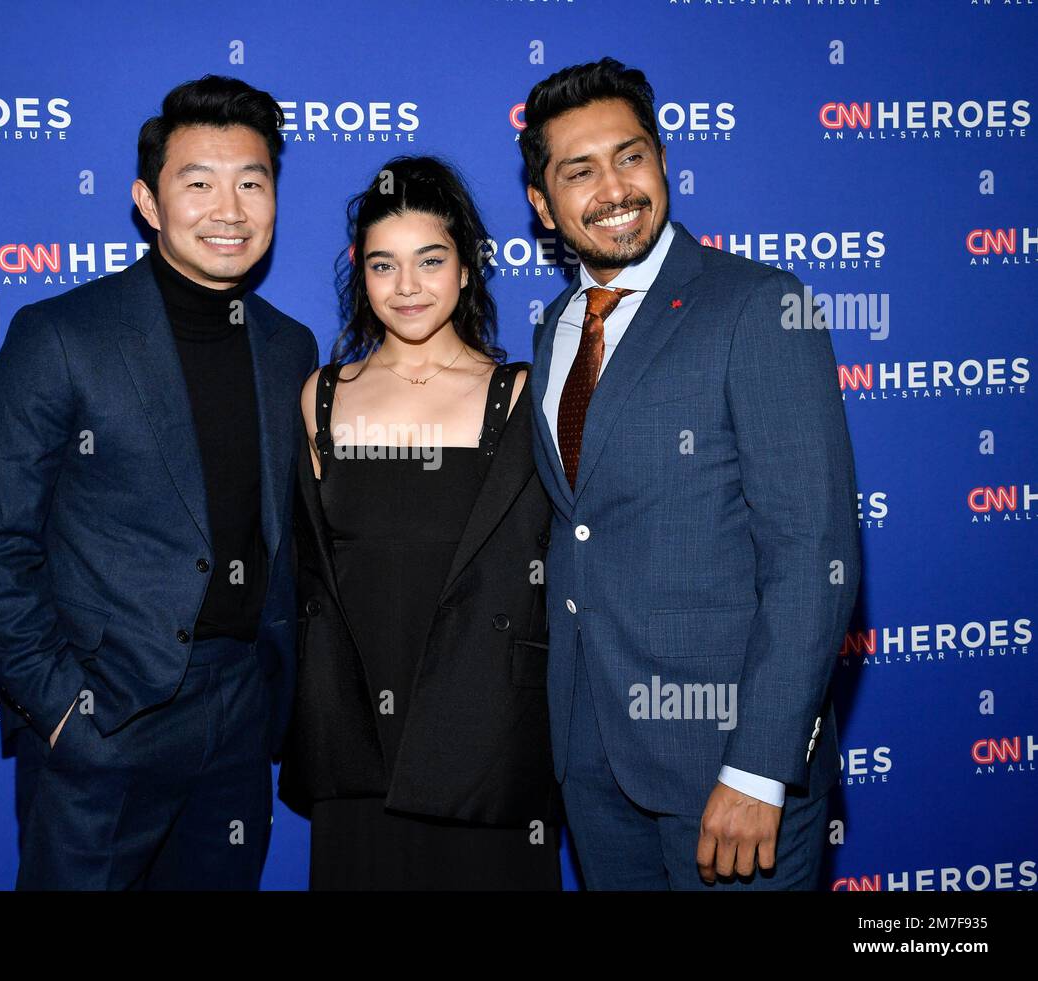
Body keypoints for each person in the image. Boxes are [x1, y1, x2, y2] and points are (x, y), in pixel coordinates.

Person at [0, 75, 317, 890]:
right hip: (106, 719)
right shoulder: (60, 336)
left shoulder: (288, 346)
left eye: (252, 182)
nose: (230, 208)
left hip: (240, 716)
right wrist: (61, 710)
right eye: (199, 182)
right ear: (148, 202)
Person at [519, 58, 860, 890]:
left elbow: (812, 552)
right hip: (594, 764)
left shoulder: (757, 306)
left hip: (729, 773)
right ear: (543, 206)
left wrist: (758, 769)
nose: (615, 188)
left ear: (664, 161)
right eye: (580, 171)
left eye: (630, 157)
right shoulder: (556, 326)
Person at [277, 156, 562, 890]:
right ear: (361, 277)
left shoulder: (523, 397)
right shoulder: (323, 398)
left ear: (466, 269)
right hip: (358, 750)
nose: (406, 286)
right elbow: (311, 577)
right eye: (383, 265)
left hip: (487, 748)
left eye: (429, 260)